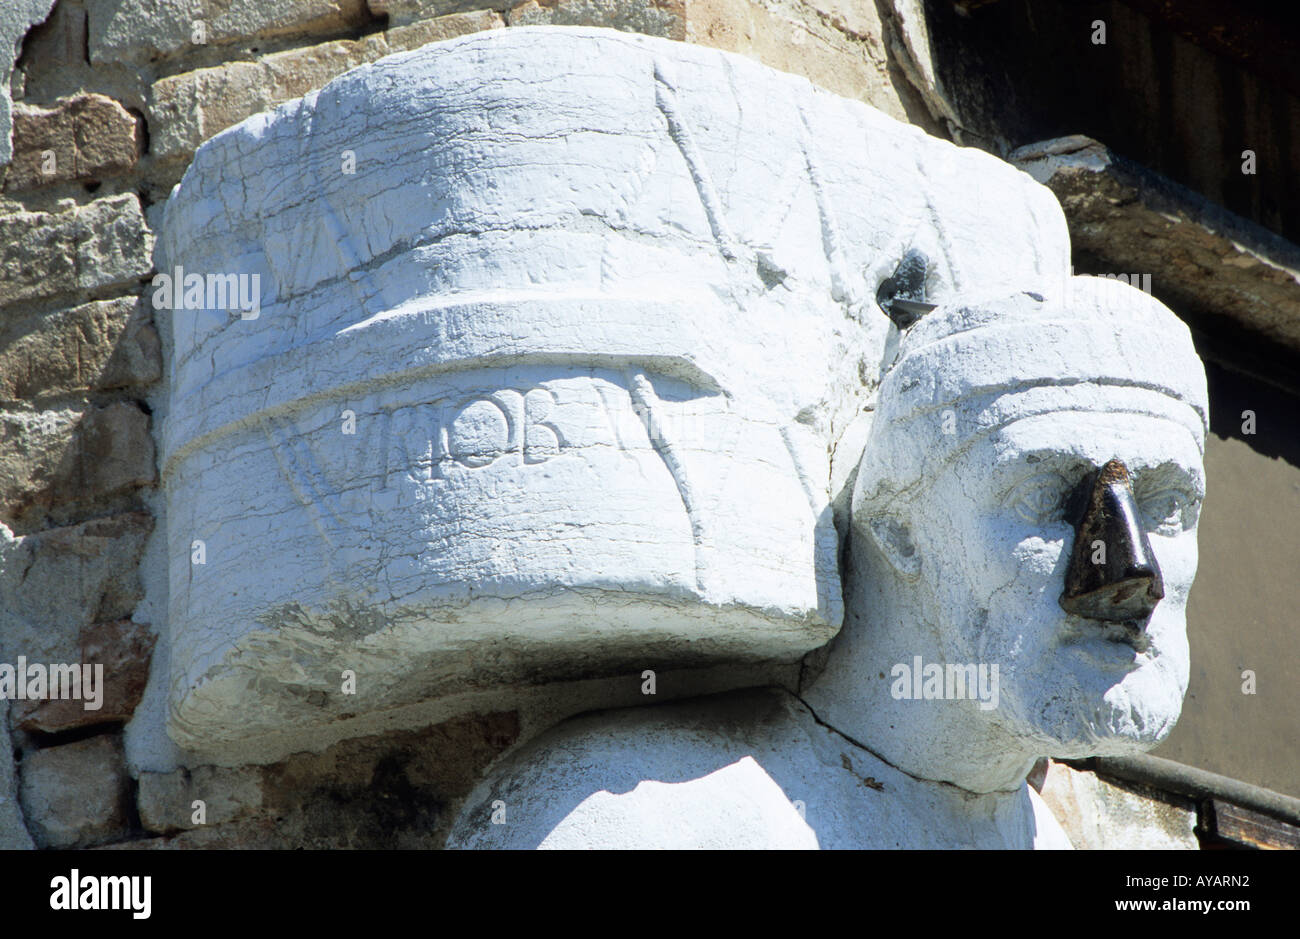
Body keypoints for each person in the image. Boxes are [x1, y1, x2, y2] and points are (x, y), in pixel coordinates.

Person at [446, 276, 1209, 849]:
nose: (1126, 574)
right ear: (898, 526)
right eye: (1045, 498)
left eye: (1169, 505)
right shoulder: (636, 822)